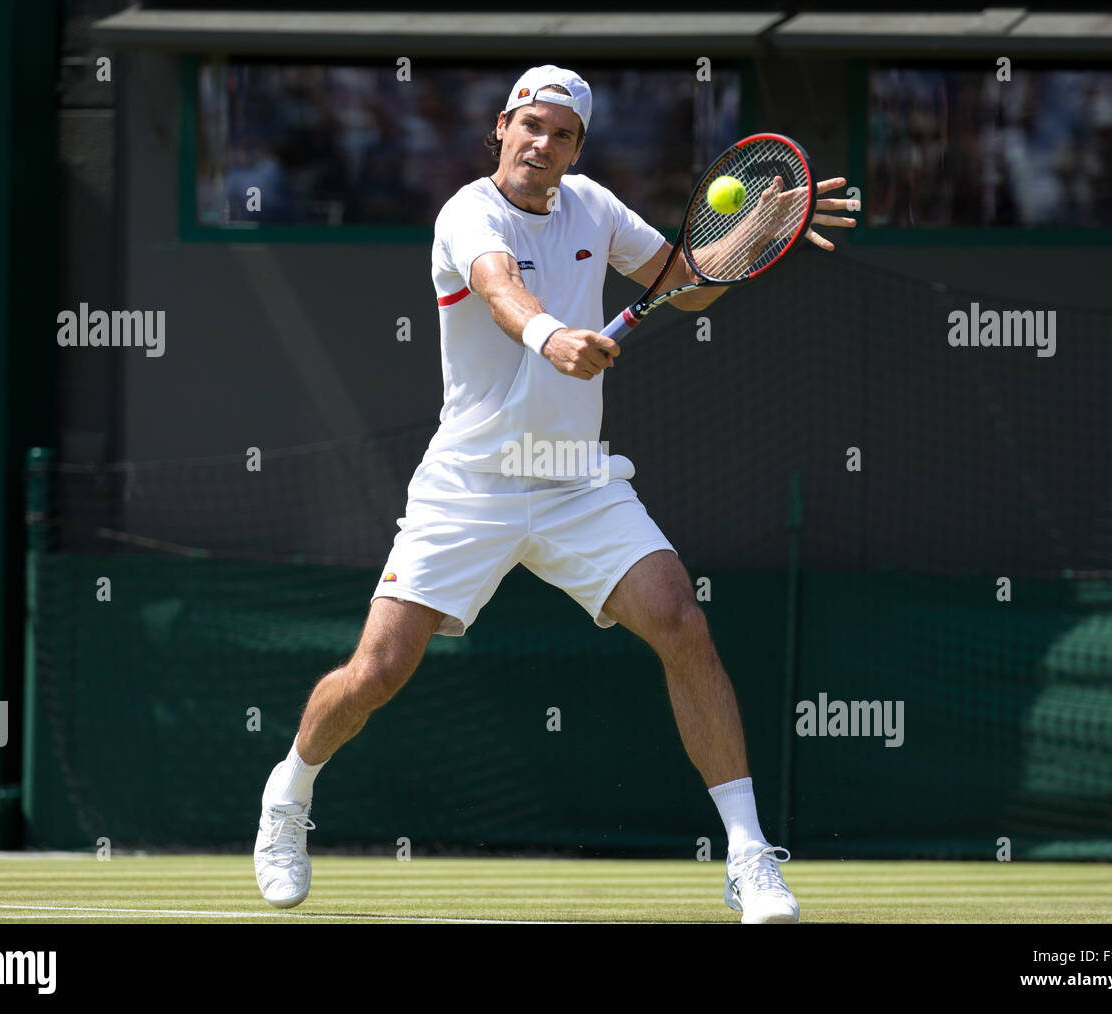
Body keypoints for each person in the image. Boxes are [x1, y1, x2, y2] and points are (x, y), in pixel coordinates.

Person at [255, 65, 856, 923]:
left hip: (576, 480)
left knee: (682, 620)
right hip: (471, 483)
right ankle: (289, 796)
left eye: (563, 133)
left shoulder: (594, 207)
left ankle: (750, 856)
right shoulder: (468, 213)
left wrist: (765, 222)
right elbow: (501, 288)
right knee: (378, 671)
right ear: (501, 127)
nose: (544, 143)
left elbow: (687, 280)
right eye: (530, 125)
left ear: (578, 147)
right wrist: (550, 337)